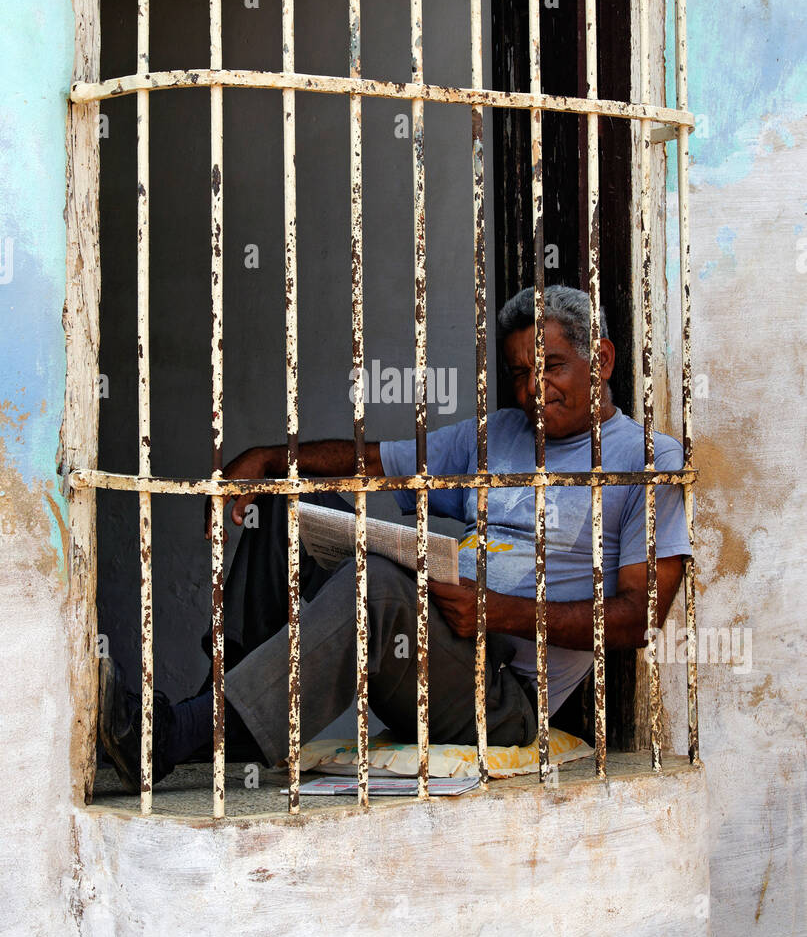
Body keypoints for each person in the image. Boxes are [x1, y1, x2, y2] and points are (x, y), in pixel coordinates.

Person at [99, 285, 693, 792]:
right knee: (287, 508)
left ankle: (172, 738)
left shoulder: (646, 461)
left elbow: (639, 619)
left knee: (380, 589)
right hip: (435, 641)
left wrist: (493, 612)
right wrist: (268, 459)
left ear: (604, 359)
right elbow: (376, 463)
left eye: (553, 366)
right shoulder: (500, 435)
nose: (534, 391)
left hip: (504, 699)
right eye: (520, 373)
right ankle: (224, 718)